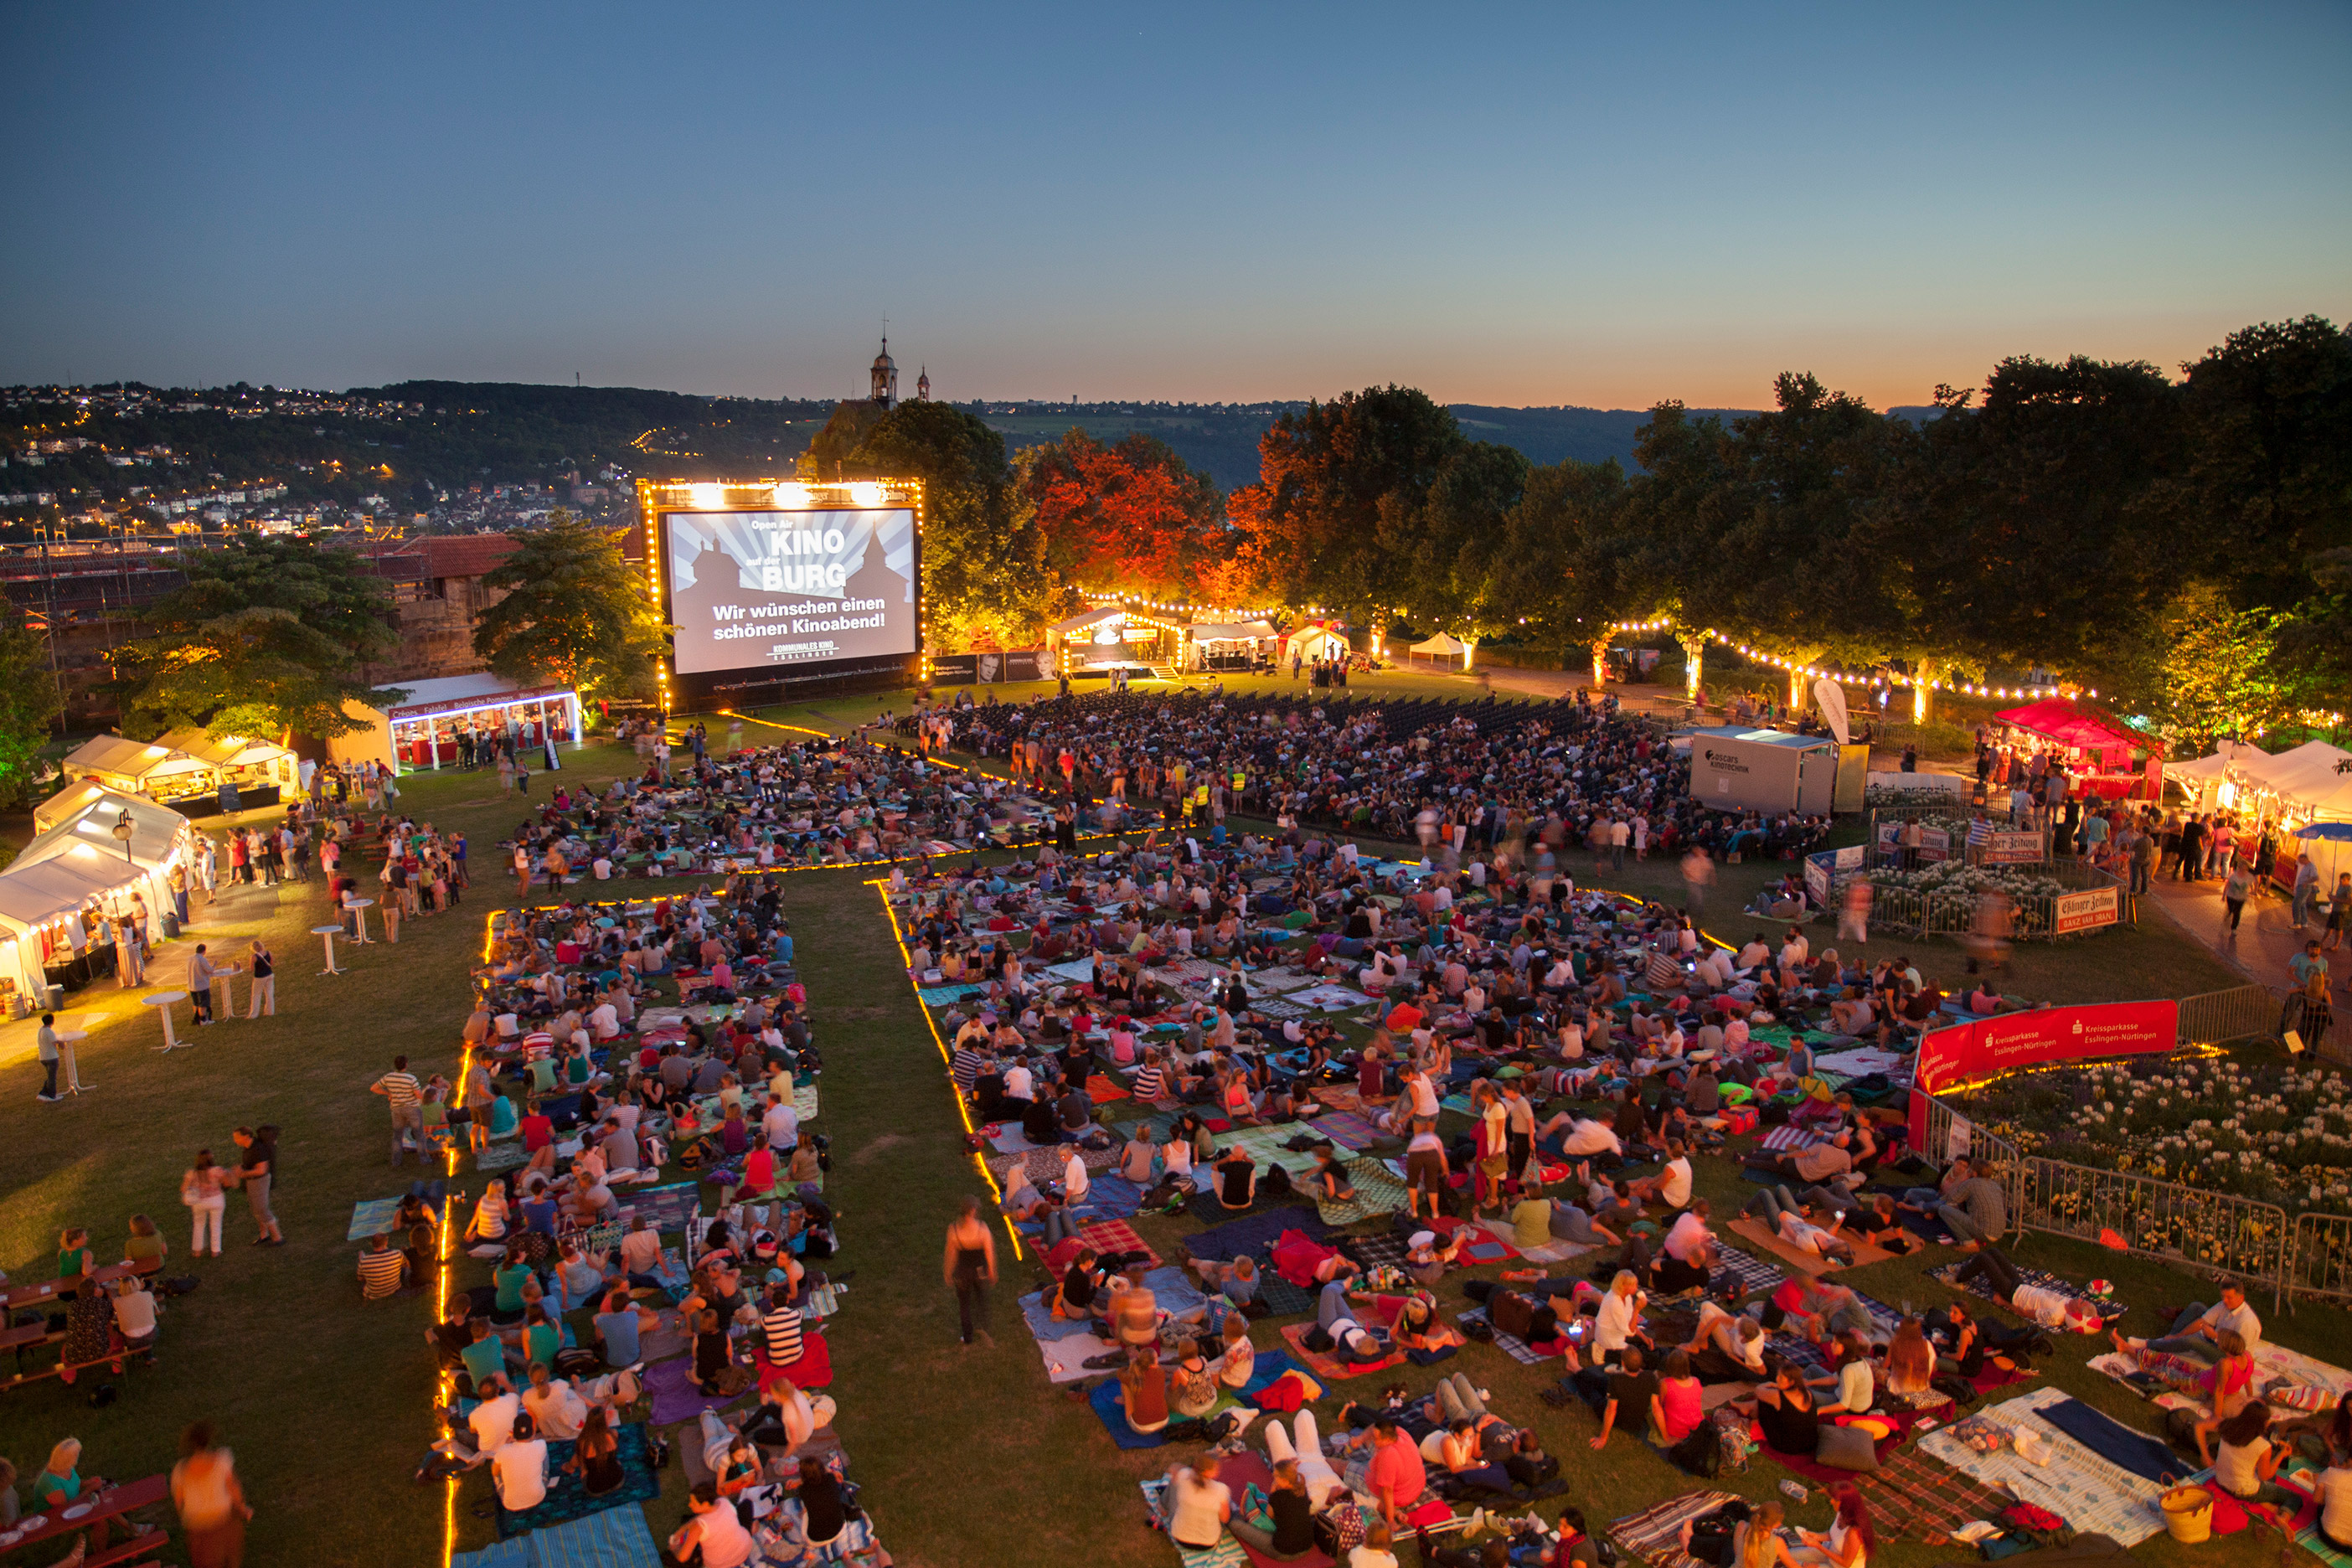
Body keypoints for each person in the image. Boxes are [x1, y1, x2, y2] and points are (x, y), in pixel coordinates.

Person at [945, 1194, 998, 1347]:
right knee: (982, 1299)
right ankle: (984, 1327)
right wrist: (992, 1272)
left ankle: (968, 1336)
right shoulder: (982, 1228)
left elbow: (951, 1254)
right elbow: (989, 1252)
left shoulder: (954, 1230)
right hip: (979, 1272)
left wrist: (948, 1272)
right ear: (973, 1210)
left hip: (962, 1273)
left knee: (964, 1304)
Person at [668, 1482, 757, 1568]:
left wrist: (674, 1548)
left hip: (720, 1565)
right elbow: (699, 1520)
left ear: (705, 1504)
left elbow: (683, 1558)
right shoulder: (723, 1502)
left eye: (694, 1503)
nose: (690, 1505)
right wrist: (682, 1529)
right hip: (744, 1550)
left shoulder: (699, 1526)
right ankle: (751, 1529)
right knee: (746, 1504)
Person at [1163, 1454, 1233, 1553]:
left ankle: (1161, 1505)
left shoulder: (1183, 1475)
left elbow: (1174, 1467)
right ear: (1209, 1472)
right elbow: (1225, 1519)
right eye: (1216, 1468)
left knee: (1175, 1490)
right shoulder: (1221, 1490)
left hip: (1180, 1537)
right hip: (1208, 1542)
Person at [230, 1125, 284, 1246]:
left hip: (260, 1181)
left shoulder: (257, 1149)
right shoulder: (247, 1147)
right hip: (252, 1181)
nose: (235, 1140)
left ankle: (278, 1238)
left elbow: (262, 1170)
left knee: (262, 1209)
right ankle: (264, 1235)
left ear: (246, 1136)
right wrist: (241, 1169)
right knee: (256, 1209)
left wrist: (243, 1173)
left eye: (237, 1137)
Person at [183, 1148, 228, 1256]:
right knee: (216, 1225)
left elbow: (183, 1188)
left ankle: (197, 1251)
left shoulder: (192, 1173)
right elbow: (226, 1183)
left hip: (199, 1202)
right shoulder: (217, 1170)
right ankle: (215, 1250)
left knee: (198, 1225)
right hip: (216, 1200)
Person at [245, 939, 276, 1018]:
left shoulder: (254, 957)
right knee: (269, 994)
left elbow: (251, 969)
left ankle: (253, 1014)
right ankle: (270, 1012)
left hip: (260, 977)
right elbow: (272, 963)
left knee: (256, 995)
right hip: (269, 974)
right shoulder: (269, 953)